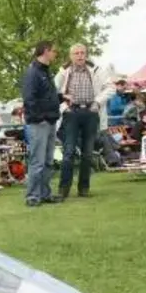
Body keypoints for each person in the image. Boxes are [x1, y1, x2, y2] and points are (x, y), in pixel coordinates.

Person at [53, 43, 112, 198]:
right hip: (71, 113)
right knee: (69, 151)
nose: (79, 56)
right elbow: (52, 91)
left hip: (91, 112)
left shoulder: (97, 70)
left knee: (87, 153)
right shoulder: (64, 72)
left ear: (86, 55)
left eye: (82, 53)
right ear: (70, 56)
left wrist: (97, 102)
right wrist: (64, 107)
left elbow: (110, 88)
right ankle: (63, 188)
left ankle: (83, 188)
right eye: (76, 53)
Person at [21, 40, 62, 207]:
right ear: (45, 51)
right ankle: (32, 196)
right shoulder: (33, 72)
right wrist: (41, 117)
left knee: (48, 161)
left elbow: (46, 97)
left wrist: (61, 98)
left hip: (50, 120)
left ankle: (45, 193)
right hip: (40, 123)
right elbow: (29, 99)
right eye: (53, 51)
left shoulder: (46, 72)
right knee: (37, 161)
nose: (55, 54)